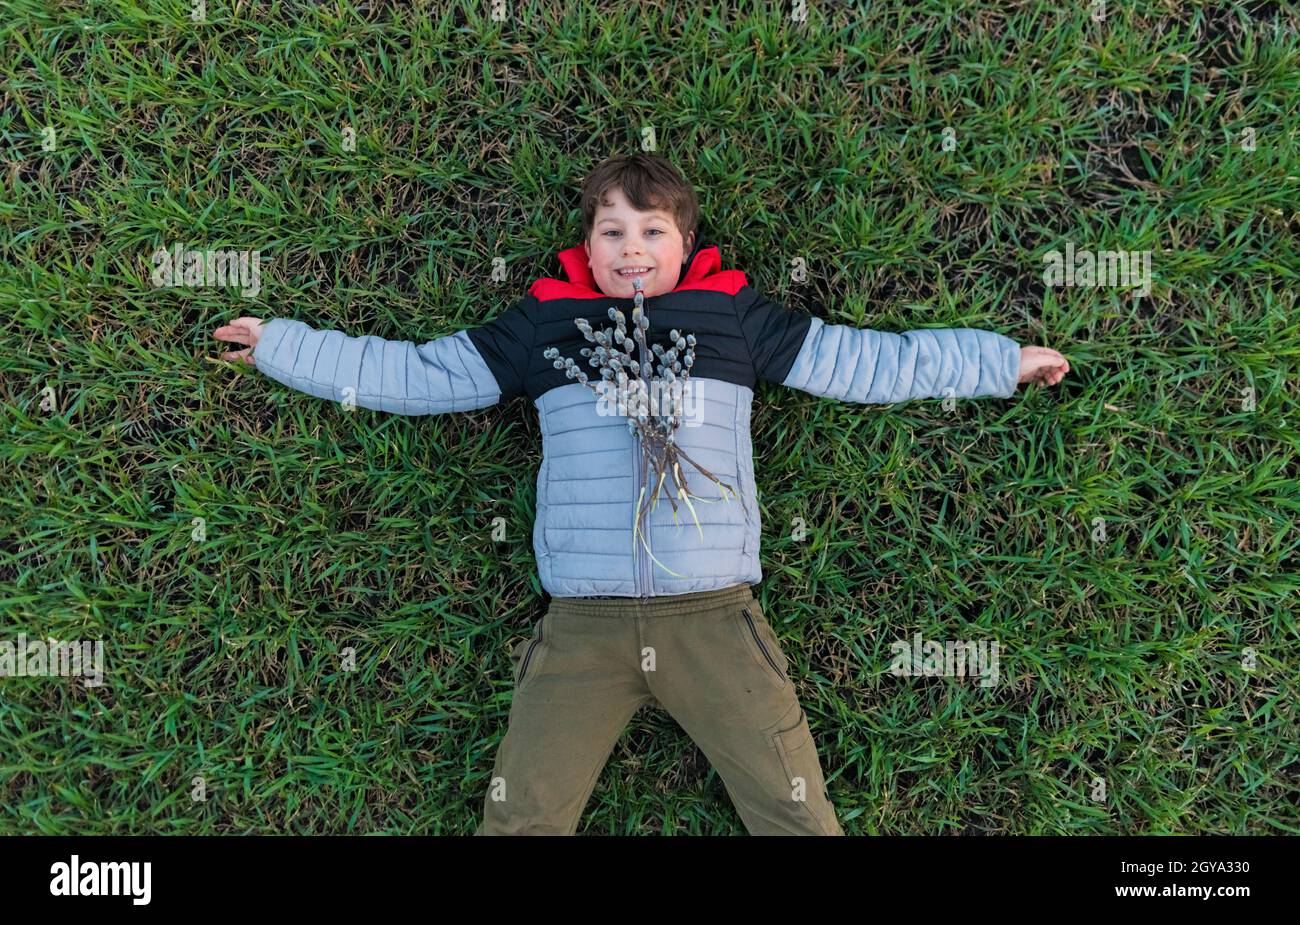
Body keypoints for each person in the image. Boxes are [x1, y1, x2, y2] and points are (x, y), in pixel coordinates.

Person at [213, 153, 1069, 834]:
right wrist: (282, 345)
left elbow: (868, 360)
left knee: (794, 809)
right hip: (581, 628)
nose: (631, 246)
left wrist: (998, 362)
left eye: (651, 230)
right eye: (611, 229)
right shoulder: (542, 329)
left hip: (714, 617)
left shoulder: (732, 318)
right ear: (584, 249)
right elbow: (413, 371)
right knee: (521, 817)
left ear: (685, 249)